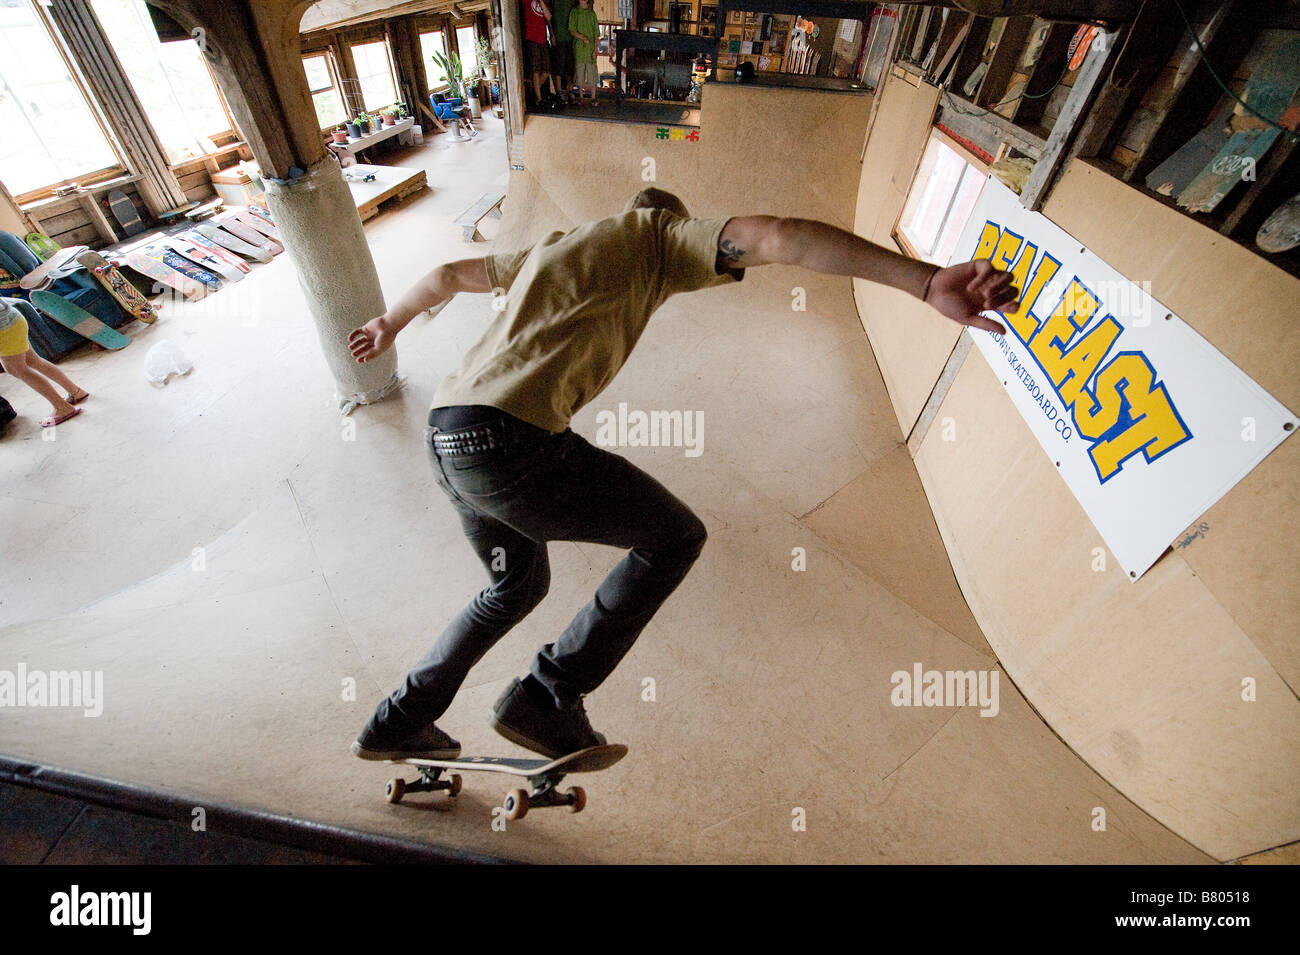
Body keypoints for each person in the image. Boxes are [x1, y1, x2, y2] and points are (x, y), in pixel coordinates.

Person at [346, 187, 1018, 761]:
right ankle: (546, 697)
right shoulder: (660, 237)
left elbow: (444, 276)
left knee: (514, 585)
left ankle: (397, 721)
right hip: (509, 441)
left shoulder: (552, 248)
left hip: (447, 436)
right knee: (673, 536)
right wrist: (924, 281)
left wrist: (388, 323)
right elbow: (782, 236)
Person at [0, 298, 87, 428]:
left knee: (18, 370)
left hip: (4, 331)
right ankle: (76, 391)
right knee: (34, 361)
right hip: (13, 320)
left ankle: (63, 408)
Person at [522, 0, 554, 106]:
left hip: (543, 39)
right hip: (532, 38)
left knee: (546, 71)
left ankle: (533, 91)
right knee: (535, 70)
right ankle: (539, 98)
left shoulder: (544, 1)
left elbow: (548, 17)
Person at [568, 0, 599, 106]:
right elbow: (571, 30)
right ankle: (580, 97)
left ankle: (593, 97)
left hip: (590, 48)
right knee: (580, 73)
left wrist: (595, 50)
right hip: (579, 48)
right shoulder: (574, 12)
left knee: (592, 74)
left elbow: (596, 34)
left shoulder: (591, 13)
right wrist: (582, 37)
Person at [550, 0, 576, 101]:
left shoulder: (571, 2)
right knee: (559, 65)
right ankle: (559, 91)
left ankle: (570, 91)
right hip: (558, 36)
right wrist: (552, 34)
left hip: (570, 36)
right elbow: (549, 18)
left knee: (570, 66)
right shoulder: (555, 3)